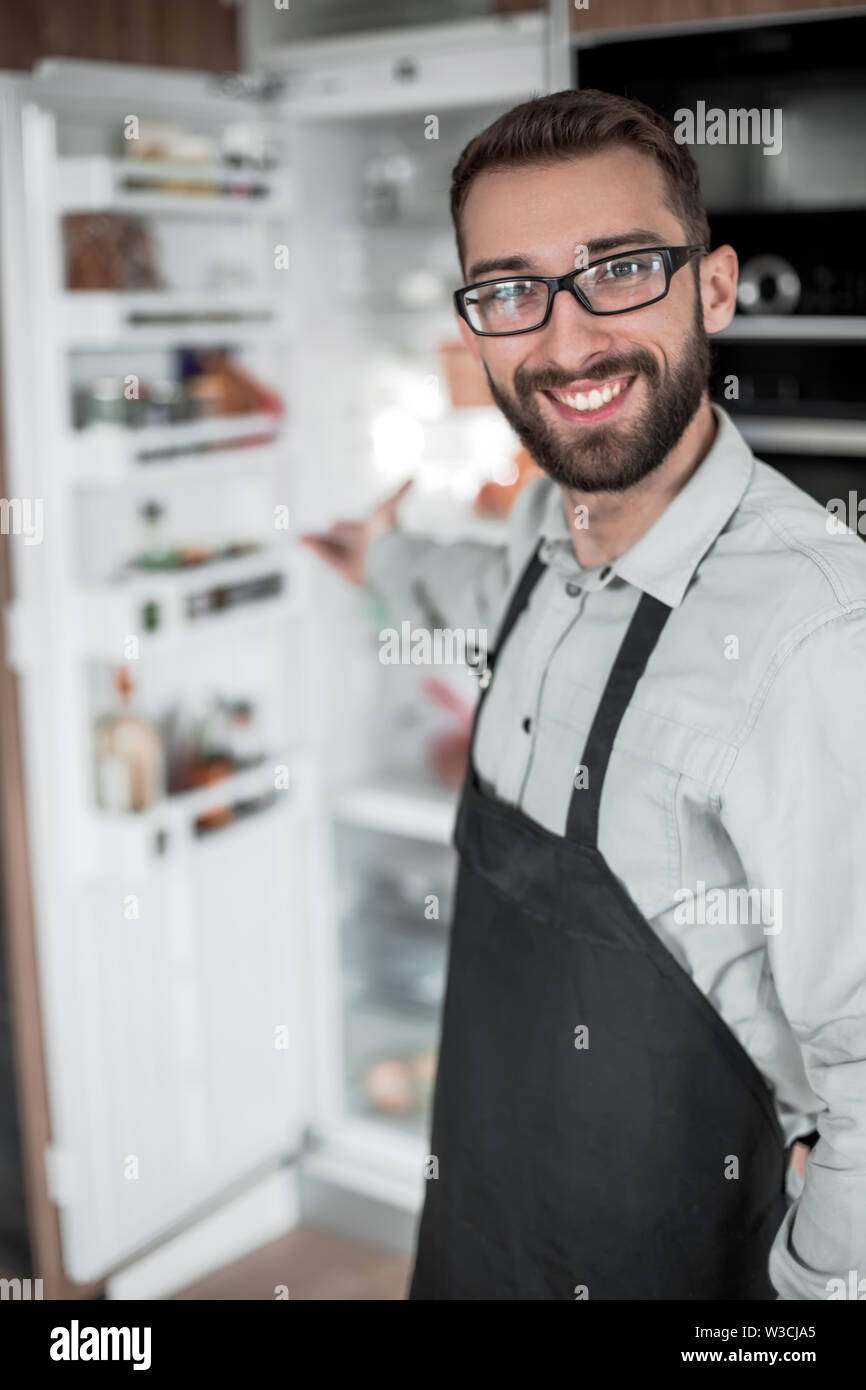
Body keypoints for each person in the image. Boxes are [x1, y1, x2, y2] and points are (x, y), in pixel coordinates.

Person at [302, 89, 866, 1301]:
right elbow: (466, 592)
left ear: (710, 290)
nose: (564, 343)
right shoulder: (538, 534)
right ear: (475, 325)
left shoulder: (813, 631)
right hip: (485, 1230)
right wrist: (374, 558)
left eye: (616, 270)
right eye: (510, 291)